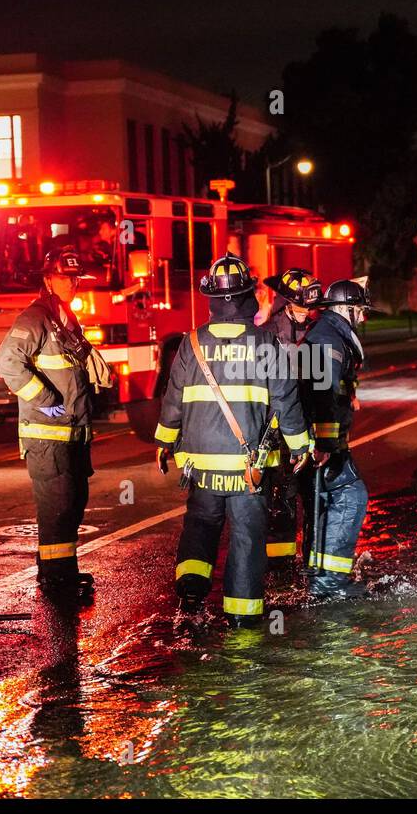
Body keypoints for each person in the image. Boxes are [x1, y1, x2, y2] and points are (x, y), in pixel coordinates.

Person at [154, 255, 311, 627]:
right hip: (247, 468)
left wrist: (163, 443)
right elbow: (285, 399)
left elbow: (173, 397)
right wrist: (300, 446)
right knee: (246, 534)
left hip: (200, 466)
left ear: (212, 299)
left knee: (202, 523)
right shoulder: (266, 343)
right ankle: (241, 618)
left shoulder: (191, 343)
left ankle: (191, 595)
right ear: (244, 297)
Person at [0, 247, 111, 601]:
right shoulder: (35, 318)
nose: (74, 283)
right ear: (48, 280)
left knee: (73, 503)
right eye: (66, 277)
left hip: (72, 434)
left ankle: (60, 570)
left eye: (76, 278)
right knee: (58, 507)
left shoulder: (64, 318)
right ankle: (56, 581)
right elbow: (7, 363)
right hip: (47, 437)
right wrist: (47, 402)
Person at [302, 279, 376, 599]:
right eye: (360, 310)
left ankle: (322, 578)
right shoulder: (326, 339)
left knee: (325, 505)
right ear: (346, 308)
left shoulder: (331, 336)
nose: (363, 317)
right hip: (321, 444)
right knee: (350, 497)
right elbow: (321, 396)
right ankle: (329, 582)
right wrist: (325, 445)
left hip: (322, 442)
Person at [258, 268, 322, 567]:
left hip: (306, 425)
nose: (310, 309)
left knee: (313, 497)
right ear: (289, 302)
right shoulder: (270, 334)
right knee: (282, 500)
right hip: (278, 430)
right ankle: (280, 569)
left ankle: (311, 560)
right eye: (305, 303)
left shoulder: (315, 330)